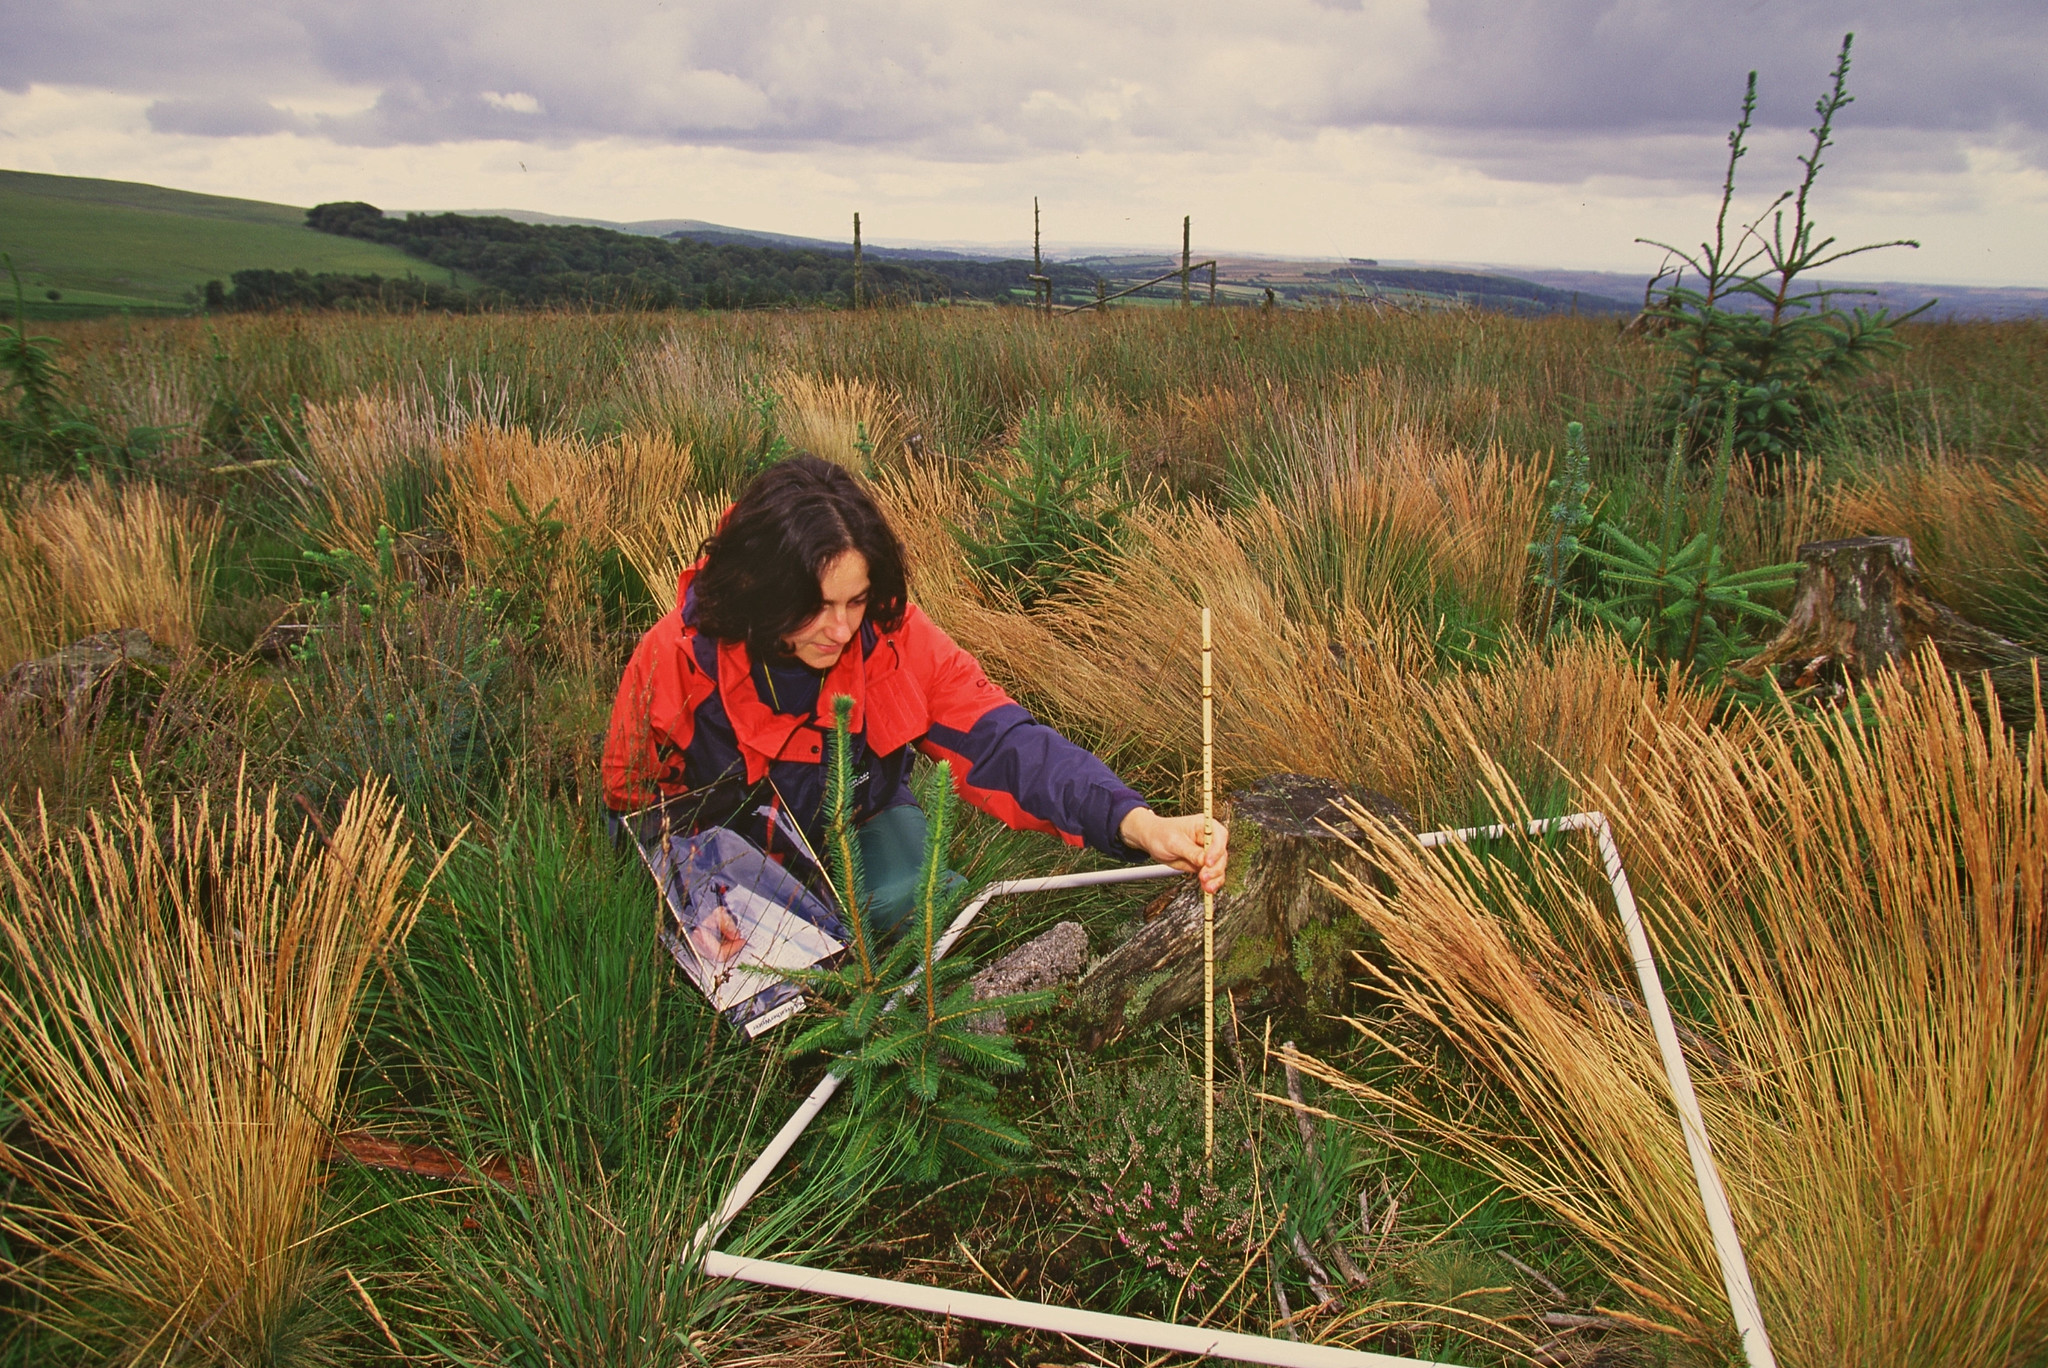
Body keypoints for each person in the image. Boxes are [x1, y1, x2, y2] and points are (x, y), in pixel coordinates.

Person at [603, 456, 1227, 935]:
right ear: (759, 589)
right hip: (728, 861)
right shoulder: (674, 659)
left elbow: (1005, 746)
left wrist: (1137, 823)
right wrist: (697, 896)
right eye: (814, 607)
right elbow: (633, 810)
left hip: (860, 823)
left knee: (924, 904)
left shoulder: (897, 637)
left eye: (855, 601)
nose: (842, 629)